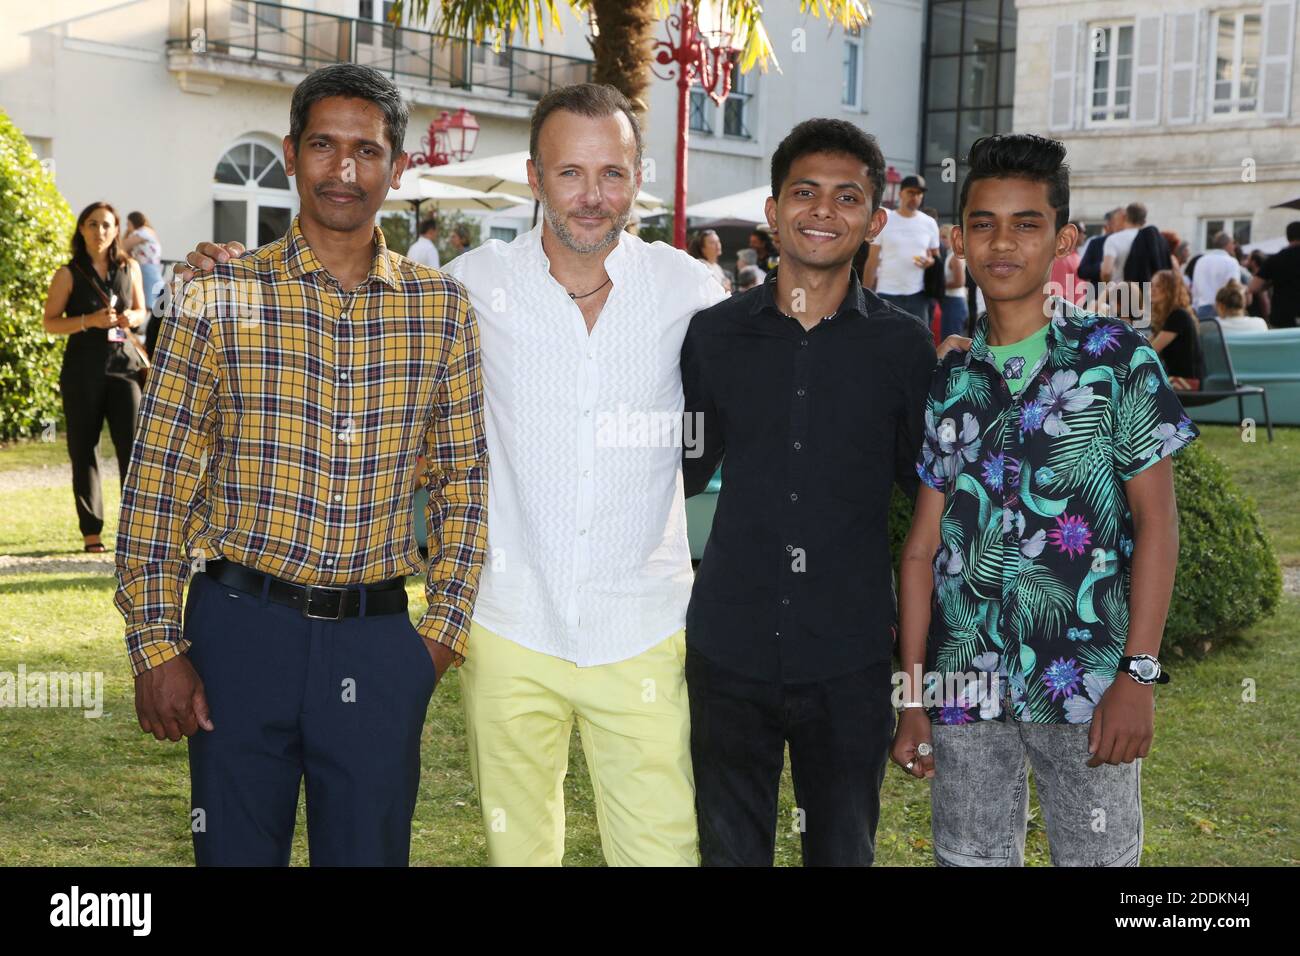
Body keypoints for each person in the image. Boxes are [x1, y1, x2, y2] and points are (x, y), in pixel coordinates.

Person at [120, 64, 489, 866]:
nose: (344, 169)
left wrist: (439, 641)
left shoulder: (442, 309)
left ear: (396, 166)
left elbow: (464, 483)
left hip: (380, 641)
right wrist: (156, 643)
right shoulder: (216, 295)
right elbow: (159, 481)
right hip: (238, 635)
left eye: (367, 149)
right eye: (324, 145)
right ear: (290, 154)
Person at [438, 84, 727, 865]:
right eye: (571, 173)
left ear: (638, 180)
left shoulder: (692, 291)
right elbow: (361, 305)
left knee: (662, 853)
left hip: (642, 625)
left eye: (613, 174)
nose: (593, 197)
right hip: (509, 622)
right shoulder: (470, 286)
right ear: (535, 177)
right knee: (518, 854)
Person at [893, 133, 1196, 867]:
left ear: (1062, 238)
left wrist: (1139, 675)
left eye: (1026, 223)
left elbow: (1158, 525)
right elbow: (922, 547)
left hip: (1088, 677)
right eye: (985, 223)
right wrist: (910, 698)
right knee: (969, 859)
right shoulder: (950, 381)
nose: (1004, 242)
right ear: (959, 238)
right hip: (964, 679)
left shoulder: (1116, 362)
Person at [681, 119, 937, 866]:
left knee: (844, 851)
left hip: (849, 653)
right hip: (729, 646)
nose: (823, 211)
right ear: (773, 209)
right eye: (804, 193)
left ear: (874, 220)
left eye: (846, 196)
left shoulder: (901, 348)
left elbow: (931, 498)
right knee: (729, 853)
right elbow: (681, 472)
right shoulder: (714, 336)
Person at [42, 201, 149, 554]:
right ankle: (91, 533)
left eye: (106, 225)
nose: (99, 231)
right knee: (83, 449)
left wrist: (130, 319)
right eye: (92, 224)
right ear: (81, 230)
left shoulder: (129, 266)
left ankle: (136, 531)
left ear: (116, 230)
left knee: (132, 451)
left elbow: (141, 309)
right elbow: (50, 322)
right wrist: (90, 321)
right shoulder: (68, 273)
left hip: (124, 370)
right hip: (82, 372)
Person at [863, 174, 940, 327]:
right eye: (911, 192)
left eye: (919, 193)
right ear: (900, 193)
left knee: (918, 346)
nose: (915, 197)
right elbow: (872, 260)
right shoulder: (885, 219)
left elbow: (935, 257)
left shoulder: (929, 223)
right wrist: (864, 294)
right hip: (886, 294)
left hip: (918, 296)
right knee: (884, 344)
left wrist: (930, 262)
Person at [1149, 268, 1203, 390]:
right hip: (1173, 380)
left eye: (1159, 286)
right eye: (1152, 285)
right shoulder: (1166, 317)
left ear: (1170, 290)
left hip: (1187, 382)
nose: (1153, 289)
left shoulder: (1178, 316)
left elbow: (1150, 351)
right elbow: (1144, 346)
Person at [1250, 221, 1300, 327]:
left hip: (1283, 317)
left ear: (1288, 237)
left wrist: (1271, 282)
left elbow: (1254, 287)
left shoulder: (1275, 259)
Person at [1192, 231, 1243, 319]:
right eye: (1232, 243)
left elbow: (1195, 290)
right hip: (1224, 310)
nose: (1234, 246)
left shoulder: (1200, 261)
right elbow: (1234, 289)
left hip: (1202, 309)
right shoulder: (1231, 262)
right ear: (1227, 244)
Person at [123, 211, 164, 319]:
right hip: (154, 269)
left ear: (133, 223)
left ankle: (143, 327)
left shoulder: (140, 233)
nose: (127, 227)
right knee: (154, 299)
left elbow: (123, 247)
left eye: (128, 224)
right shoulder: (149, 232)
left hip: (146, 270)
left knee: (146, 301)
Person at [1077, 208, 1121, 287]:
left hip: (1126, 294)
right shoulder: (1096, 243)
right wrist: (1102, 266)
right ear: (1108, 224)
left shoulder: (1134, 241)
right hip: (1098, 294)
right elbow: (1082, 271)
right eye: (1115, 222)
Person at [1100, 202, 1143, 282]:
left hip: (1120, 290)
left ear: (1125, 218)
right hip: (1146, 290)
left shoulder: (1113, 239)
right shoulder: (1150, 238)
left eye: (1114, 221)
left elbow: (1106, 272)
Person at [940, 224, 969, 338]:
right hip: (951, 301)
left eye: (944, 237)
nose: (941, 240)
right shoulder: (950, 255)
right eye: (940, 237)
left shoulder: (955, 257)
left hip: (954, 302)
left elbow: (960, 282)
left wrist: (940, 285)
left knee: (953, 343)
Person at [688, 228, 733, 293]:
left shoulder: (717, 266)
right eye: (712, 243)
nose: (717, 245)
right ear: (703, 249)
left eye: (718, 241)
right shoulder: (701, 265)